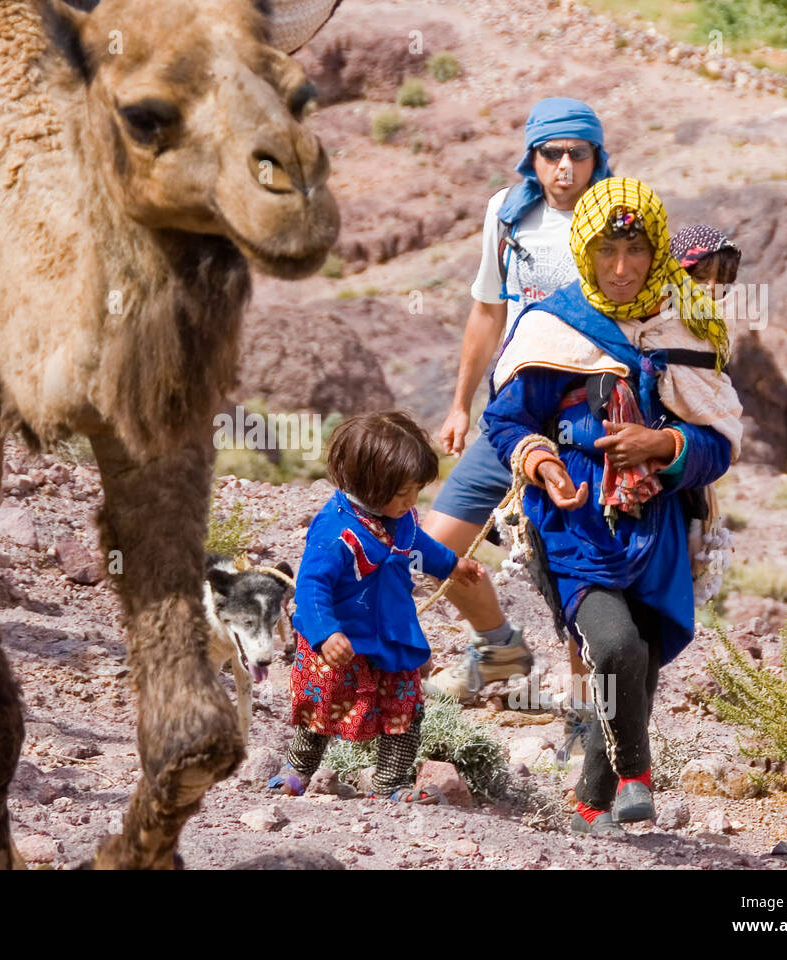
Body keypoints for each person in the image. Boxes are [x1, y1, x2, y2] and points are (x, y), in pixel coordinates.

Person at [483, 178, 743, 836]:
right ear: (583, 252)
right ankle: (637, 771)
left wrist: (666, 442)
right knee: (617, 647)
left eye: (635, 251)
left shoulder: (684, 328)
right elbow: (507, 421)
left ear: (656, 250)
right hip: (573, 523)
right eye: (606, 252)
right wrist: (542, 463)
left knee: (641, 667)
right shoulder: (553, 327)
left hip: (659, 531)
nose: (622, 269)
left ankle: (588, 808)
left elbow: (718, 443)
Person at [424, 97, 614, 705]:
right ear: (532, 158)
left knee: (581, 572)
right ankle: (500, 649)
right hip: (511, 416)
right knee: (434, 547)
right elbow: (487, 310)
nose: (564, 166)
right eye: (551, 153)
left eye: (577, 154)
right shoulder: (506, 214)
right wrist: (459, 405)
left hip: (589, 418)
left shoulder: (618, 216)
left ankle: (591, 724)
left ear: (595, 157)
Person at [267, 412, 487, 801]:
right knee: (323, 707)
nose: (411, 500)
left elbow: (419, 544)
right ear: (369, 485)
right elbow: (312, 586)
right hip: (340, 640)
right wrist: (325, 633)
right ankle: (297, 770)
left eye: (416, 490)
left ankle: (391, 784)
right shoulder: (336, 530)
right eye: (403, 492)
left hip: (392, 632)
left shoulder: (399, 518)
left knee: (404, 711)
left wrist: (453, 565)